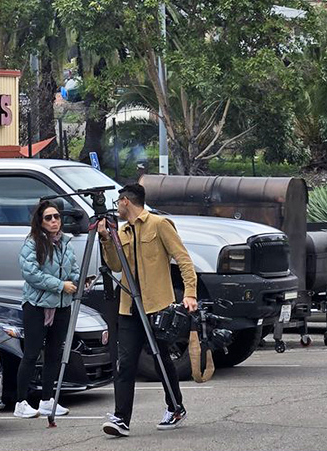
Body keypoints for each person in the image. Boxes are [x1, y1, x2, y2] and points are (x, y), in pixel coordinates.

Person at [98, 183, 197, 436]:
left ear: (126, 202)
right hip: (129, 306)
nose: (116, 206)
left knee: (161, 359)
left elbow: (183, 258)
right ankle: (121, 418)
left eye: (118, 201)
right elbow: (114, 266)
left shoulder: (159, 224)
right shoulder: (122, 231)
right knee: (126, 362)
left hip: (157, 305)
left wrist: (190, 293)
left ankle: (175, 407)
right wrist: (106, 239)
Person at [15, 200, 80, 418]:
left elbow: (74, 270)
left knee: (54, 354)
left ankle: (47, 399)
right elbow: (31, 273)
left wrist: (79, 283)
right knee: (32, 353)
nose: (54, 221)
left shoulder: (66, 243)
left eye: (57, 217)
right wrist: (60, 285)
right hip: (36, 306)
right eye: (48, 218)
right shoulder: (32, 243)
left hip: (62, 306)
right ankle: (20, 402)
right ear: (40, 221)